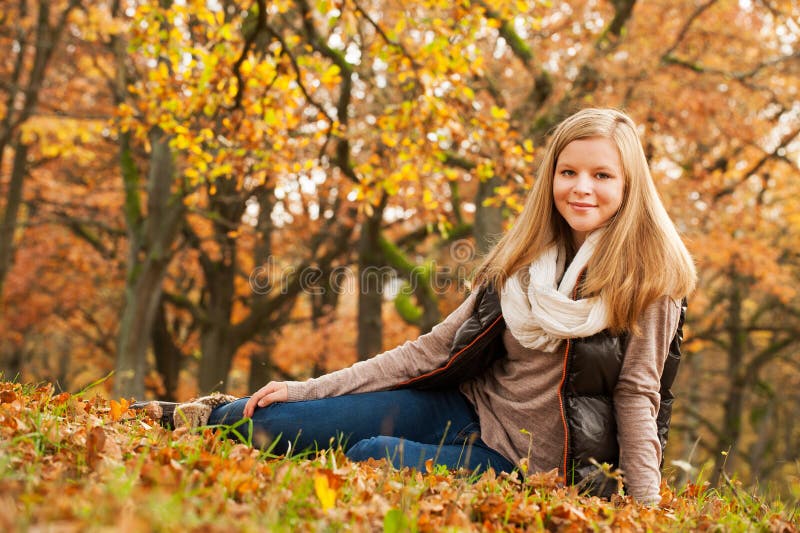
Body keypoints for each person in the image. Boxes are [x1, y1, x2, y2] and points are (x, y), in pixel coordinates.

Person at [136, 108, 696, 504]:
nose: (581, 188)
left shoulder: (650, 279)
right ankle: (192, 419)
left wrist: (642, 511)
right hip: (463, 409)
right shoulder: (524, 260)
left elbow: (639, 395)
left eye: (602, 176)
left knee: (373, 455)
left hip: (531, 467)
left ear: (629, 186)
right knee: (277, 421)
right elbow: (429, 350)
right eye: (568, 172)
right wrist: (306, 388)